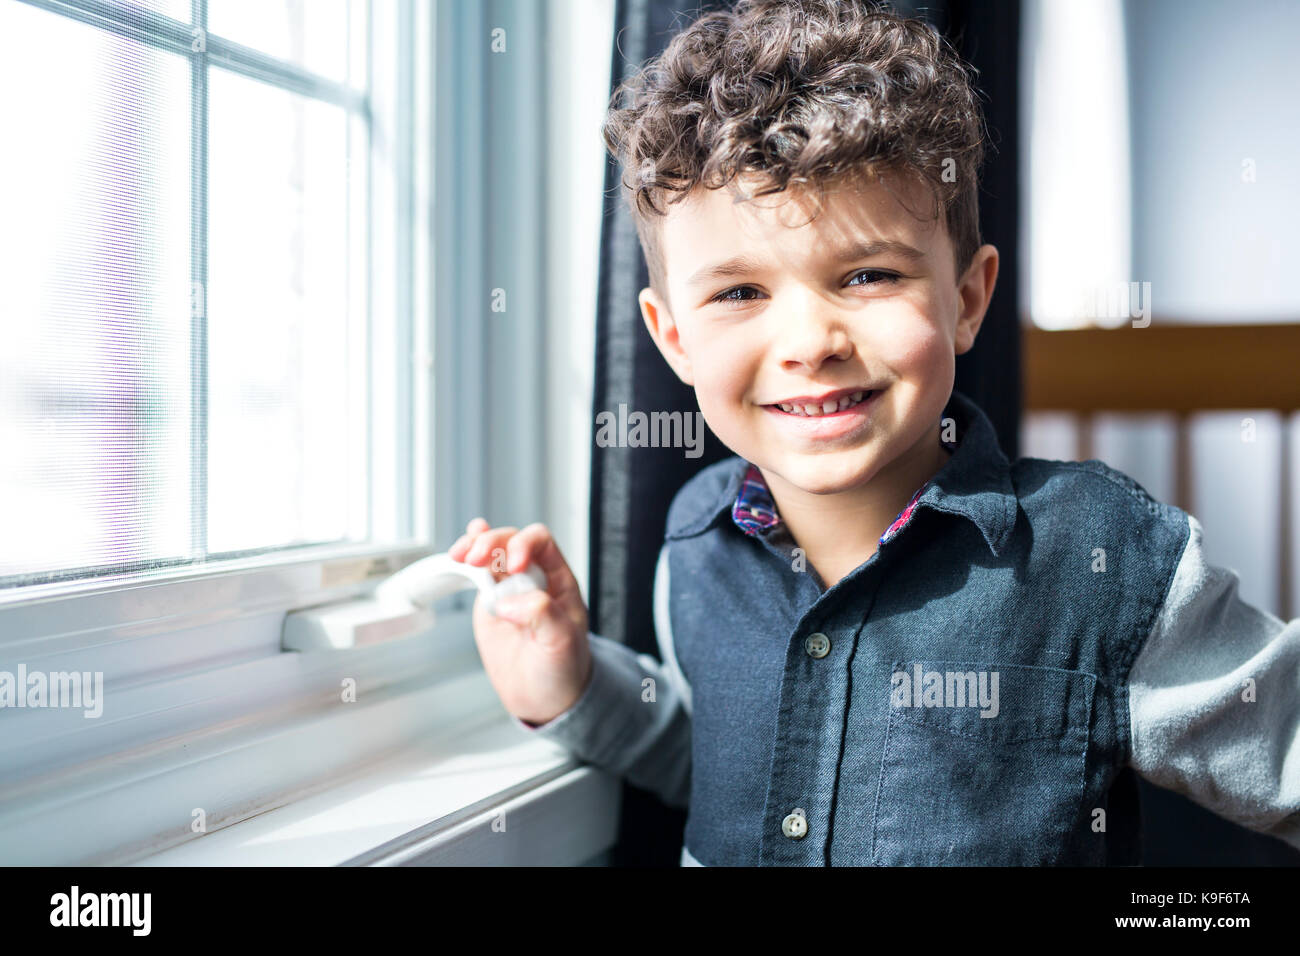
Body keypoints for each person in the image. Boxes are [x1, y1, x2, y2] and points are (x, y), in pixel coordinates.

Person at [448, 0, 1299, 865]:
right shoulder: (695, 546)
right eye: (739, 293)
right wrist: (575, 687)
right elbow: (732, 765)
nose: (812, 344)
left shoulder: (1105, 557)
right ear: (672, 338)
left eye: (866, 275)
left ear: (966, 299)